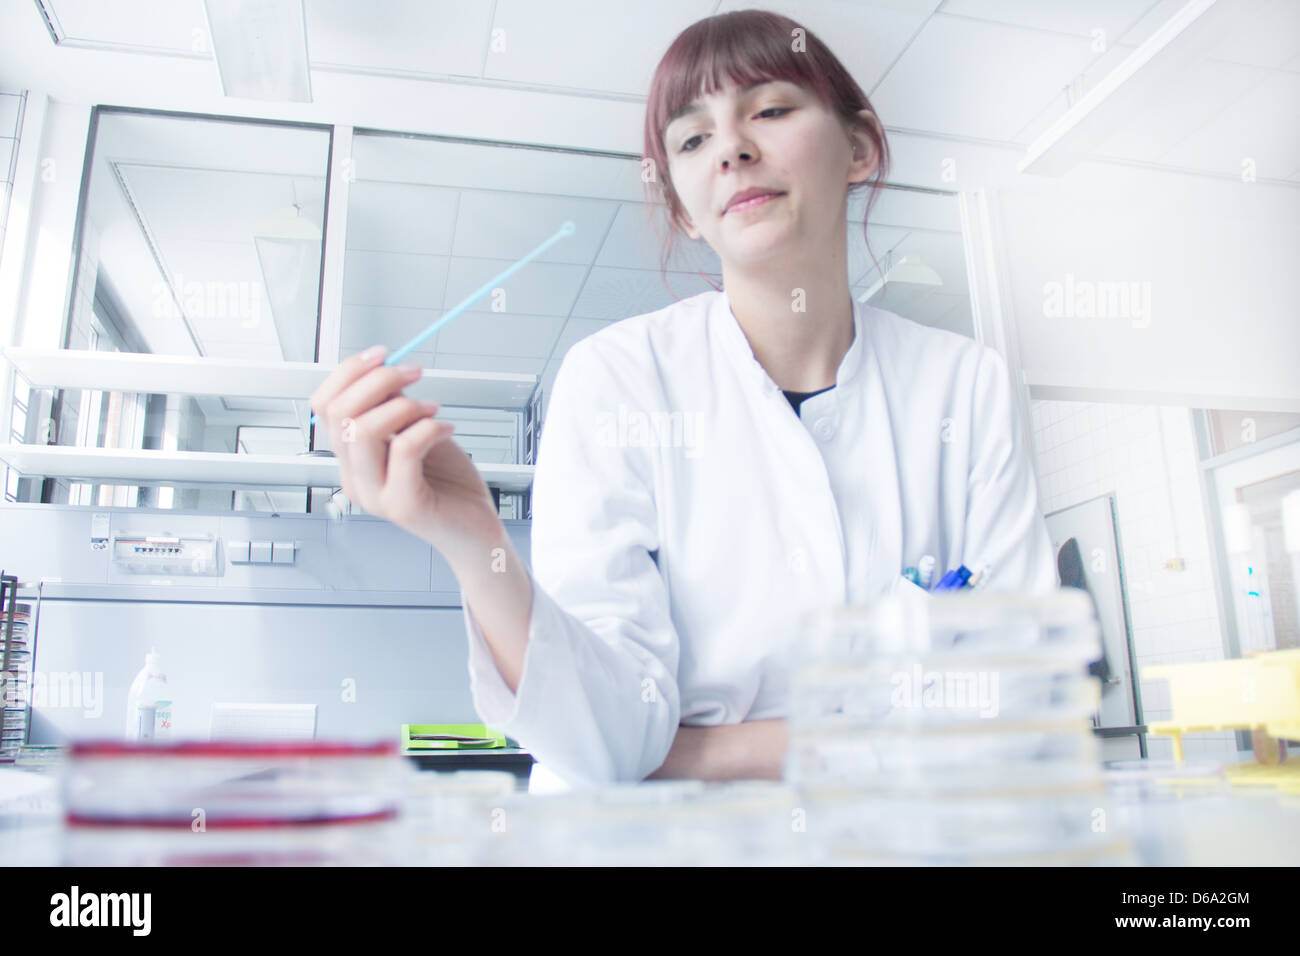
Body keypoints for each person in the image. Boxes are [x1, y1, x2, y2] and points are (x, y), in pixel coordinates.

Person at [309, 9, 1057, 791]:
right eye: (693, 139)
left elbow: (1022, 709)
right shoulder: (617, 380)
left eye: (770, 109)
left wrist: (692, 753)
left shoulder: (968, 387)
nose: (732, 148)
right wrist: (472, 543)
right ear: (680, 208)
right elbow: (607, 741)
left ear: (859, 147)